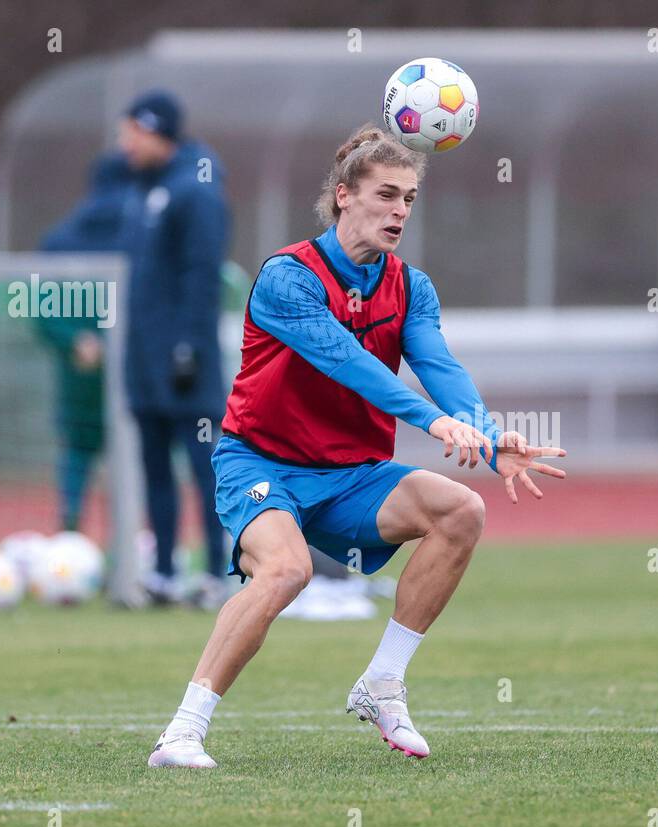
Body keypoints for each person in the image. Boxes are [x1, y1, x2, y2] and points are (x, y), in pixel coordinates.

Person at [148, 125, 565, 768]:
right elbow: (351, 364)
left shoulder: (411, 286)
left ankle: (382, 683)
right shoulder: (287, 277)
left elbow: (439, 366)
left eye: (410, 199)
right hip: (262, 463)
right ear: (344, 196)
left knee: (461, 512)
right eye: (386, 195)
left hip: (350, 474)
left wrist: (484, 435)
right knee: (288, 571)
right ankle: (181, 732)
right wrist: (433, 423)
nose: (399, 211)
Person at [117, 90, 230, 608]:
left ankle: (215, 572)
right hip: (144, 359)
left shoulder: (196, 190)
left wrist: (188, 345)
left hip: (186, 360)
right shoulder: (144, 190)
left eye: (132, 133)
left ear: (156, 130)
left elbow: (202, 275)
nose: (125, 145)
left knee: (205, 467)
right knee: (154, 469)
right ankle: (163, 570)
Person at [36, 154, 134, 531]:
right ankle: (125, 547)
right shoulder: (139, 232)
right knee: (127, 460)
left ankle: (70, 534)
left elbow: (40, 309)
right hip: (128, 368)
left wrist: (74, 340)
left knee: (77, 454)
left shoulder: (59, 238)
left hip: (77, 371)